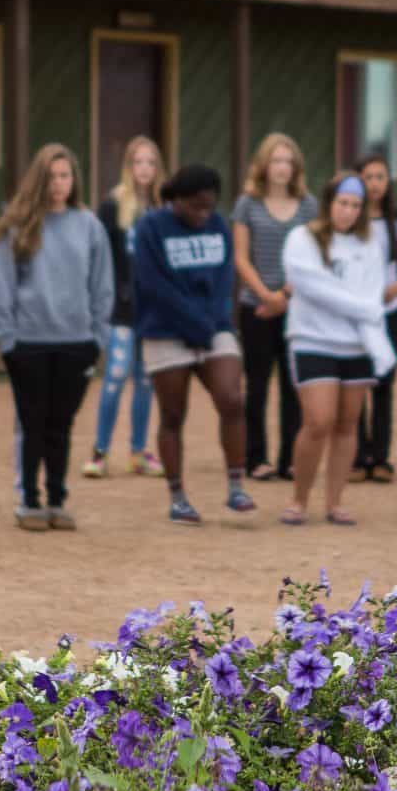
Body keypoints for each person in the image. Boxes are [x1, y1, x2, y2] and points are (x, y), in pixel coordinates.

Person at [0, 144, 111, 531]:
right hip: (28, 344)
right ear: (39, 179)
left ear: (74, 181)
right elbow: (2, 286)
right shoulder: (17, 224)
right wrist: (7, 341)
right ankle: (30, 500)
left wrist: (98, 339)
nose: (59, 184)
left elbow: (102, 285)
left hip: (76, 343)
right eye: (52, 176)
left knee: (61, 424)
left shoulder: (89, 225)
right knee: (32, 422)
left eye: (65, 176)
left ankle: (57, 499)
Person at [278, 174, 397, 526]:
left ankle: (334, 502)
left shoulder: (370, 244)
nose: (348, 211)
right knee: (319, 420)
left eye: (355, 205)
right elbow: (313, 287)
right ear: (329, 202)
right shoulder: (302, 239)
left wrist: (363, 307)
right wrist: (362, 308)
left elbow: (373, 291)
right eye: (342, 203)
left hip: (357, 344)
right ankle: (298, 499)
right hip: (312, 339)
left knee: (347, 424)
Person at [134, 164, 251, 525]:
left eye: (209, 207)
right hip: (166, 330)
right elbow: (154, 285)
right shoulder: (152, 228)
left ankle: (236, 487)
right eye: (196, 207)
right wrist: (192, 322)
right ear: (177, 200)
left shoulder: (217, 225)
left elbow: (223, 280)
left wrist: (210, 322)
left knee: (231, 399)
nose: (203, 214)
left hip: (212, 326)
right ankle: (178, 497)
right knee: (172, 414)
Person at [231, 134, 316, 482]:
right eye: (276, 160)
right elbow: (240, 257)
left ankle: (290, 459)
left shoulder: (308, 205)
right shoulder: (246, 205)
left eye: (288, 161)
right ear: (263, 165)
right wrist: (266, 297)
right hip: (256, 308)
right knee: (257, 385)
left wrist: (283, 297)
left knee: (293, 387)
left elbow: (313, 257)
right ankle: (256, 458)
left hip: (296, 306)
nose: (282, 167)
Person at [84, 136, 165, 479]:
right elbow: (101, 259)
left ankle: (139, 452)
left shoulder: (164, 209)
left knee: (146, 380)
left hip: (153, 310)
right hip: (121, 308)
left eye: (150, 162)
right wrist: (104, 301)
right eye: (138, 162)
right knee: (115, 375)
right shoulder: (112, 206)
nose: (144, 169)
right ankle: (100, 452)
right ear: (128, 166)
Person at [352, 153, 397, 483]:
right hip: (359, 310)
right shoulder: (351, 218)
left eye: (380, 177)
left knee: (384, 382)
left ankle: (381, 458)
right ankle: (358, 456)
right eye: (368, 177)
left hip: (388, 310)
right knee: (358, 380)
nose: (374, 184)